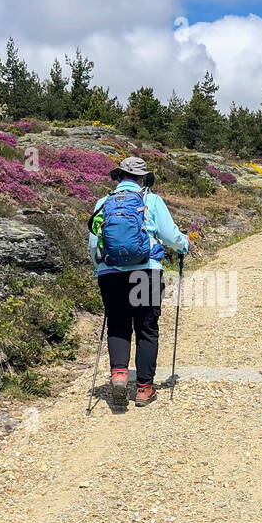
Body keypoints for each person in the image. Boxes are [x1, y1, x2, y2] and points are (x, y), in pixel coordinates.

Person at [88, 156, 189, 408]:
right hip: (145, 271)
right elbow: (169, 235)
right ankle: (144, 388)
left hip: (110, 275)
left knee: (118, 325)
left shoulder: (103, 203)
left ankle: (119, 375)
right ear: (142, 178)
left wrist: (102, 268)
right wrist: (183, 244)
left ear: (119, 176)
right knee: (146, 328)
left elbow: (93, 245)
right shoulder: (151, 200)